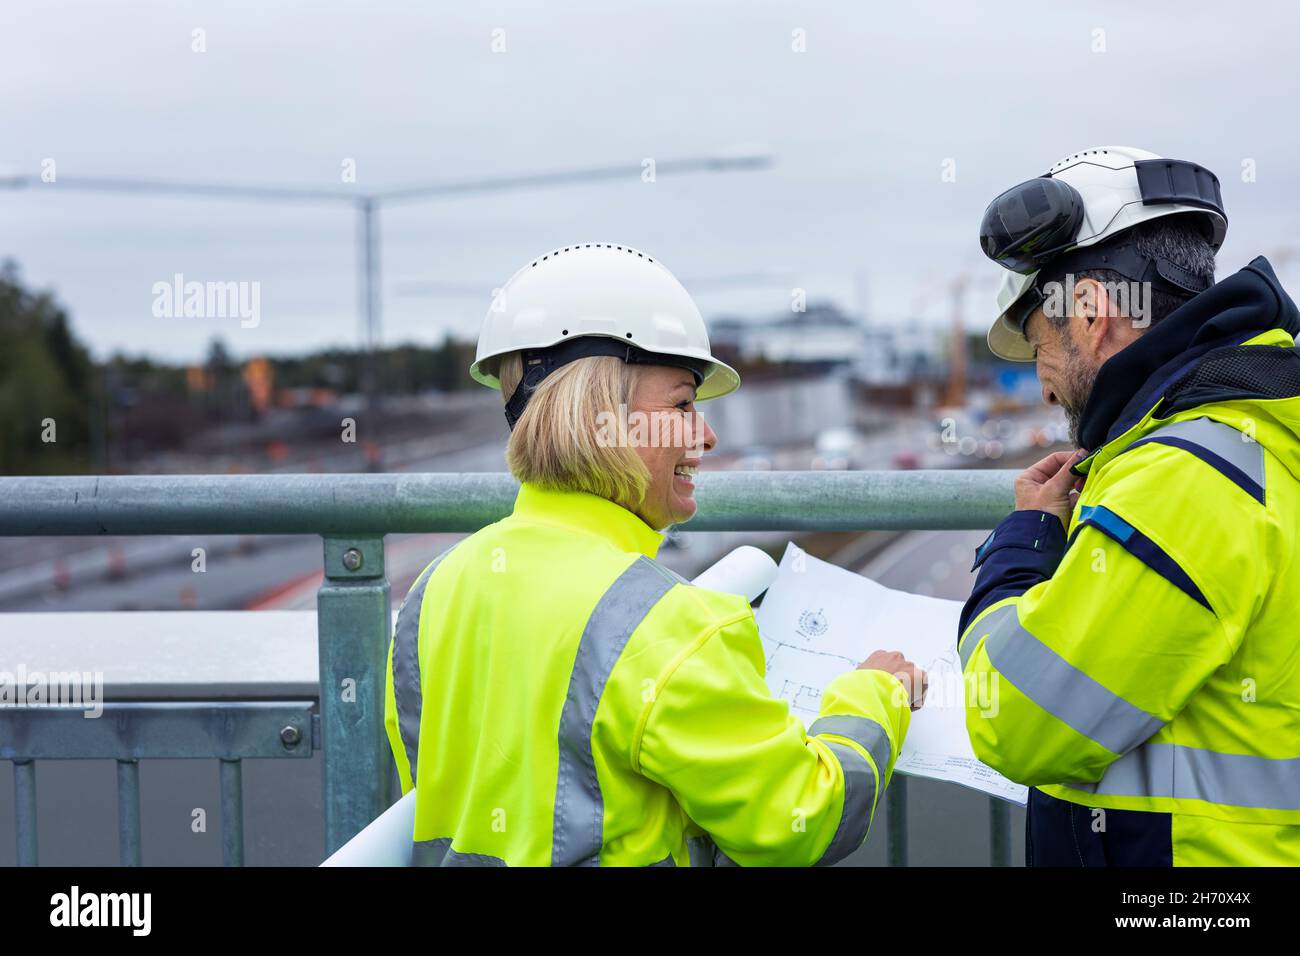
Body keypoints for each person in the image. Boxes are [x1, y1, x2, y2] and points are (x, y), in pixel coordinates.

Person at [383, 243, 926, 866]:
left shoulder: (434, 591)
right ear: (600, 418)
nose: (708, 435)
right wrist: (872, 697)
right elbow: (802, 818)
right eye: (682, 405)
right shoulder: (666, 624)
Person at [960, 146, 1300, 865]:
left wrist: (1018, 552)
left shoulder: (1184, 479)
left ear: (1089, 315)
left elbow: (1018, 723)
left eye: (1039, 346)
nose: (1046, 390)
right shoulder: (1254, 437)